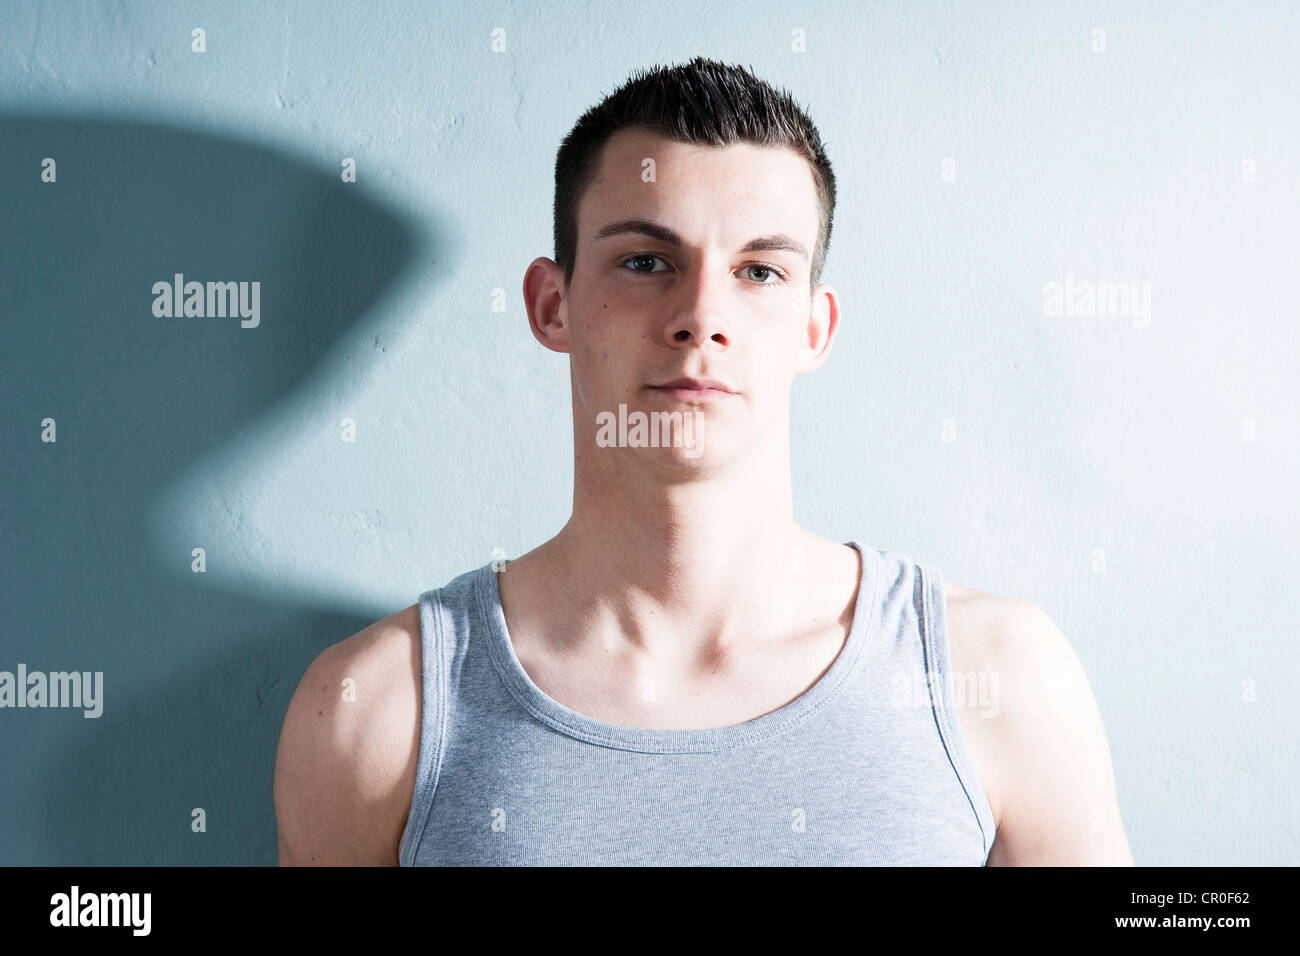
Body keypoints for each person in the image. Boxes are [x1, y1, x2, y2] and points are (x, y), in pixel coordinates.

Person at [274, 56, 1134, 866]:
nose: (700, 317)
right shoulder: (379, 710)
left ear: (813, 328)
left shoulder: (996, 677)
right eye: (646, 262)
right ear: (552, 305)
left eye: (759, 271)